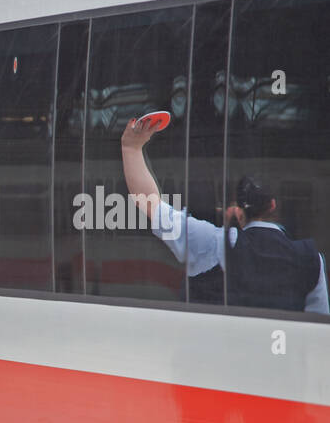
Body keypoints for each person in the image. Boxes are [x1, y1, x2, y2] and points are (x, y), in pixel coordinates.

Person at [121, 117, 329, 314]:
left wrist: (131, 148)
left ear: (238, 211)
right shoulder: (312, 260)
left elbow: (151, 205)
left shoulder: (217, 243)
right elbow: (318, 324)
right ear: (273, 205)